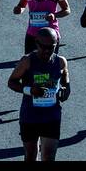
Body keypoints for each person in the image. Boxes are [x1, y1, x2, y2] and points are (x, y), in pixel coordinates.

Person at [7, 27, 71, 162]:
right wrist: (30, 90)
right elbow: (11, 82)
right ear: (36, 43)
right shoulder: (27, 61)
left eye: (51, 47)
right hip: (30, 116)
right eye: (43, 46)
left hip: (52, 116)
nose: (47, 50)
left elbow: (66, 80)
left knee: (49, 157)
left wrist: (65, 91)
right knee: (30, 156)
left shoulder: (60, 62)